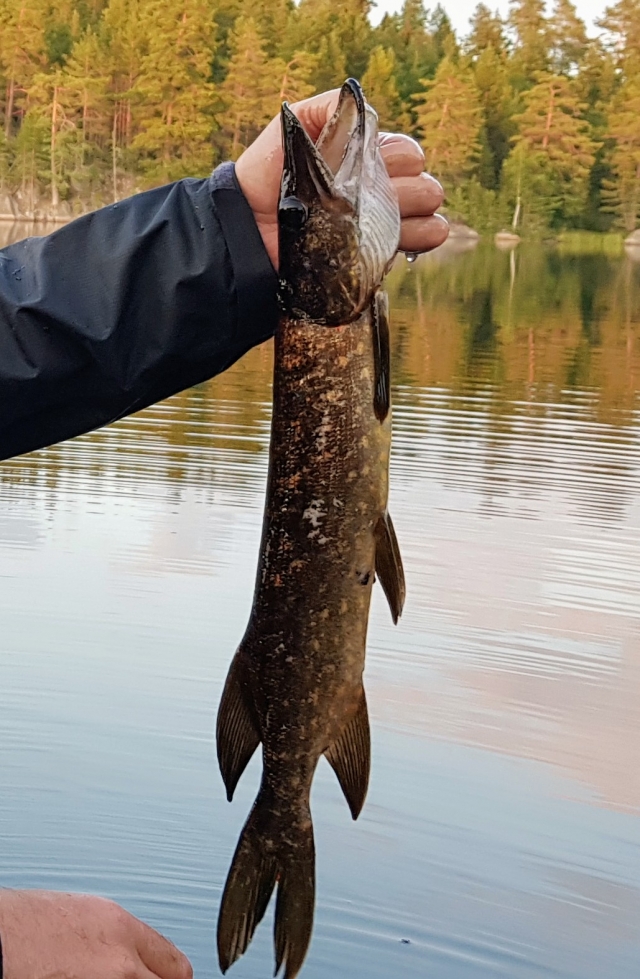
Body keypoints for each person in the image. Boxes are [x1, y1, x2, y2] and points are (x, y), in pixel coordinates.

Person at [0, 90, 447, 977]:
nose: (316, 203)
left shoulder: (339, 307)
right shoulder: (342, 304)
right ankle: (286, 812)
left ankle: (287, 807)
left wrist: (231, 233)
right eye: (308, 213)